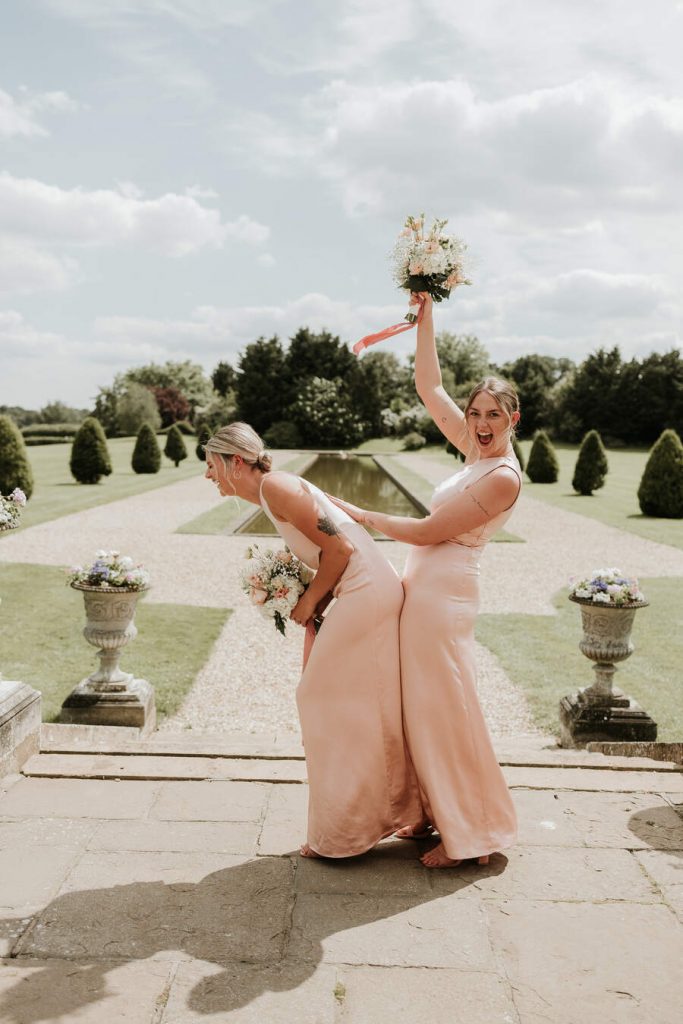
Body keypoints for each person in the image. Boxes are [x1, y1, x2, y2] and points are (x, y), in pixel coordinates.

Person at [331, 293, 521, 868]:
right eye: (476, 413)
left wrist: (361, 516)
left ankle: (470, 835)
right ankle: (433, 814)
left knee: (443, 711)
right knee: (422, 708)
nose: (481, 423)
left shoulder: (503, 478)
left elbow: (427, 530)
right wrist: (426, 317)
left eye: (494, 415)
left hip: (444, 601)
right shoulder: (472, 453)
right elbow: (428, 388)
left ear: (515, 420)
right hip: (426, 596)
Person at [204, 422, 423, 859]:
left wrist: (308, 603)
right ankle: (395, 809)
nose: (208, 475)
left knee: (320, 698)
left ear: (236, 462)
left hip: (367, 593)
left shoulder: (277, 487)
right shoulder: (274, 489)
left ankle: (347, 829)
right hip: (362, 593)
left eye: (211, 465)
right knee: (356, 703)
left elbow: (340, 550)